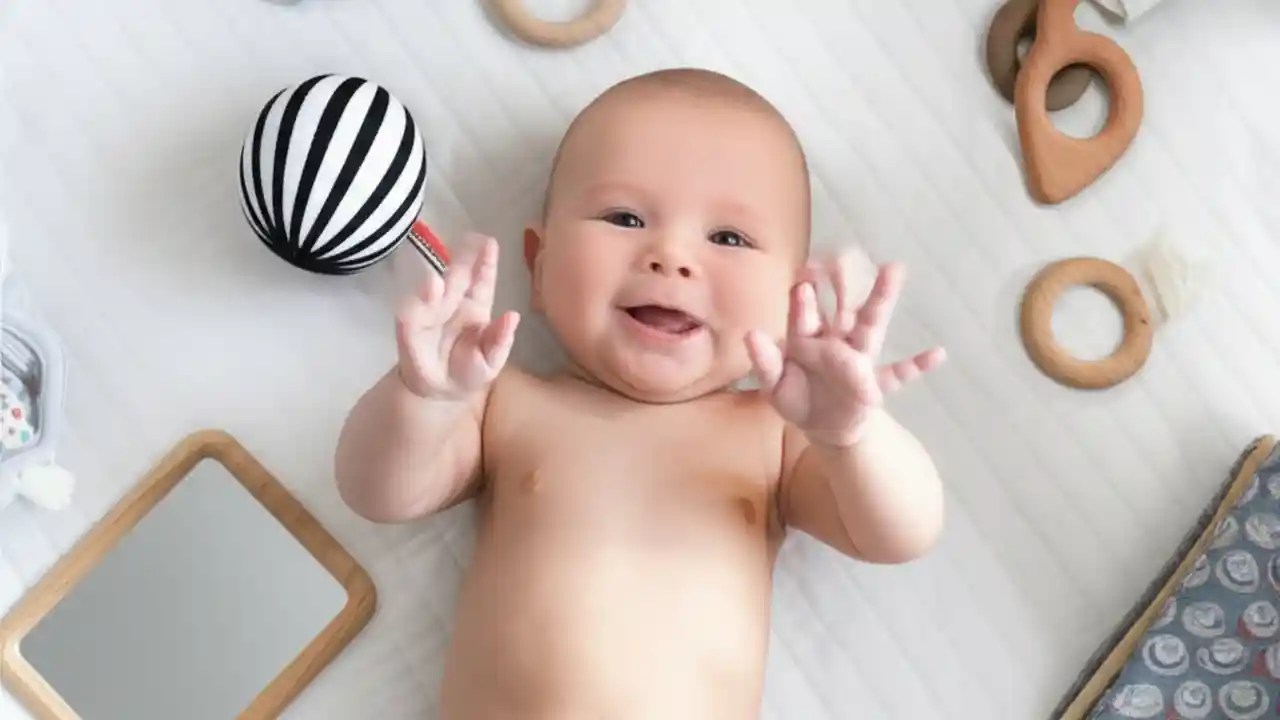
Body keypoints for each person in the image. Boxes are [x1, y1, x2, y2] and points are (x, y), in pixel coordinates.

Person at [335, 67, 947, 720]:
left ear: (793, 296)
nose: (671, 255)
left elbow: (901, 535)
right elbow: (378, 494)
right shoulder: (506, 405)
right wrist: (424, 398)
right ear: (539, 266)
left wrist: (852, 436)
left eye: (729, 238)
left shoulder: (775, 434)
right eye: (624, 217)